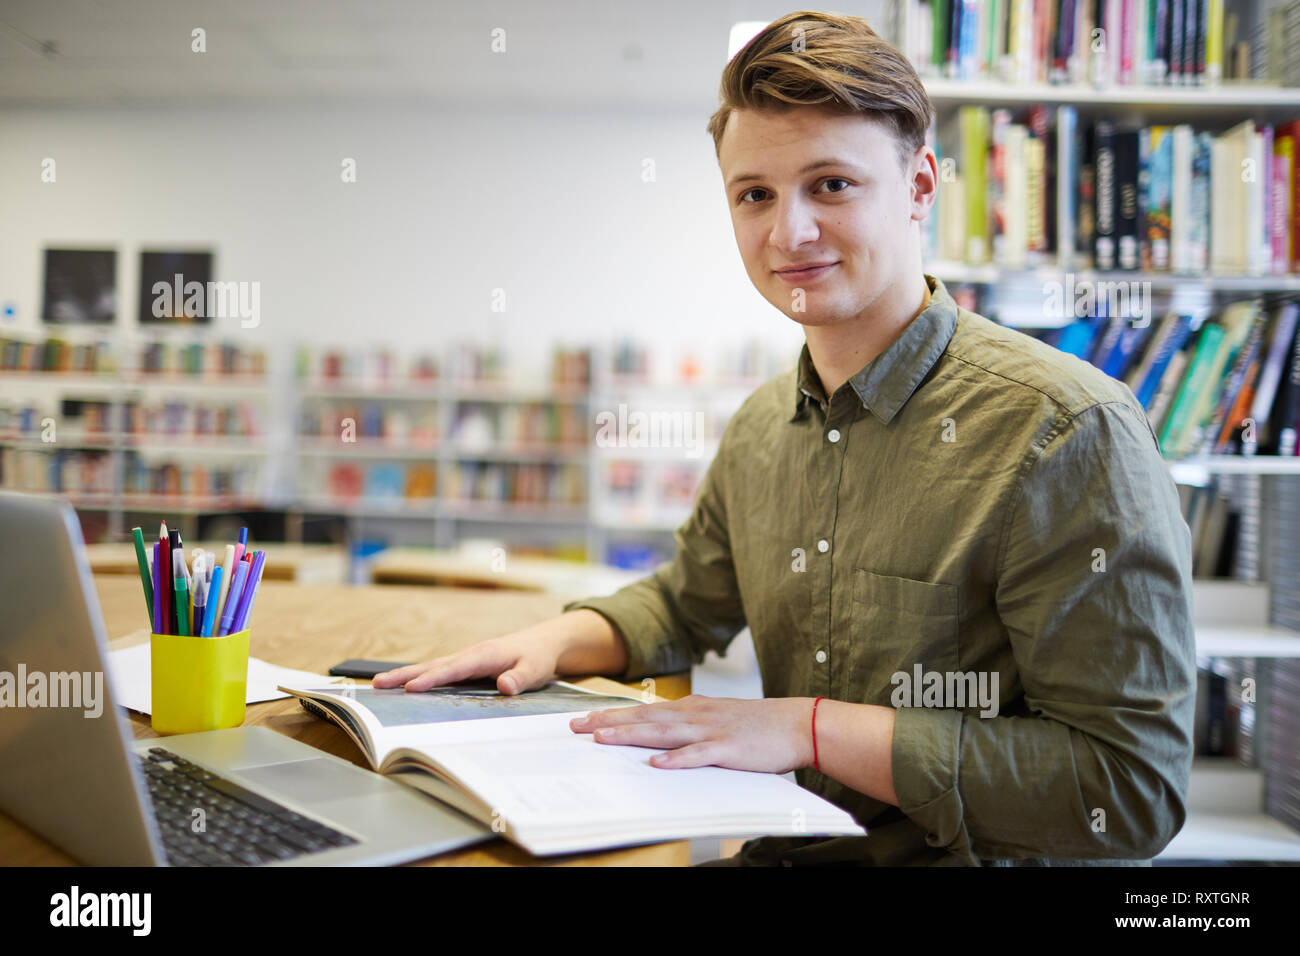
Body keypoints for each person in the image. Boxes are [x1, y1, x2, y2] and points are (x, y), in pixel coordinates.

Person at [374, 10, 1197, 866]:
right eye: (754, 194)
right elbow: (686, 603)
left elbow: (1129, 791)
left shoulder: (1067, 430)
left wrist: (807, 728)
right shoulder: (766, 424)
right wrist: (549, 641)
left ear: (920, 187)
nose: (786, 234)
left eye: (831, 185)